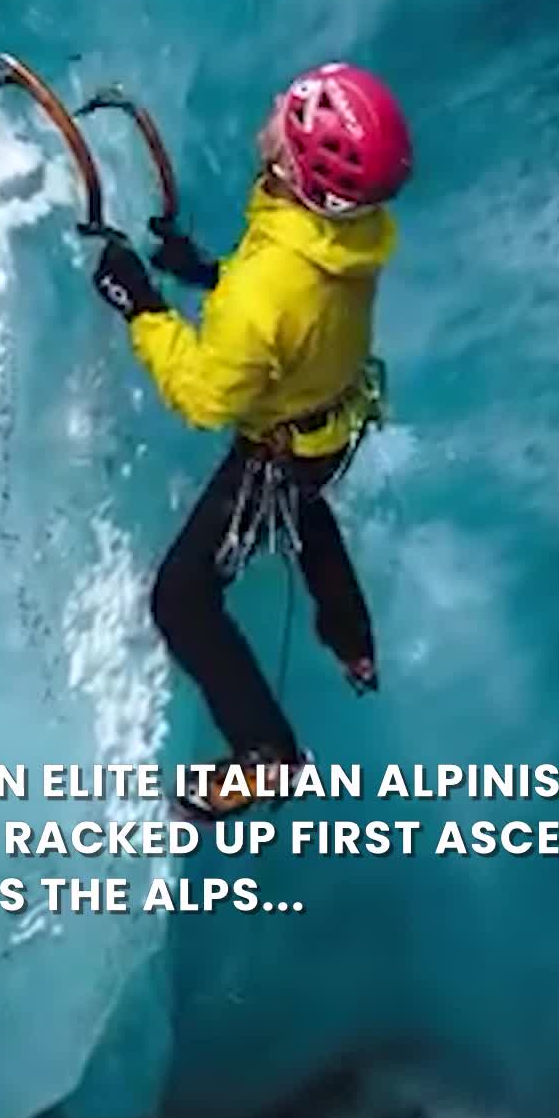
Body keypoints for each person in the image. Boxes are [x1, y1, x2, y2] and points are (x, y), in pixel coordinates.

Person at [91, 61, 412, 817]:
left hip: (277, 450)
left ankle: (266, 754)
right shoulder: (348, 233)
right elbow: (291, 301)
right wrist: (206, 272)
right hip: (331, 420)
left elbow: (205, 395)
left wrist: (141, 306)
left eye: (290, 113)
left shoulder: (267, 287)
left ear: (294, 164)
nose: (274, 105)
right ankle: (351, 638)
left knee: (182, 599)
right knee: (305, 512)